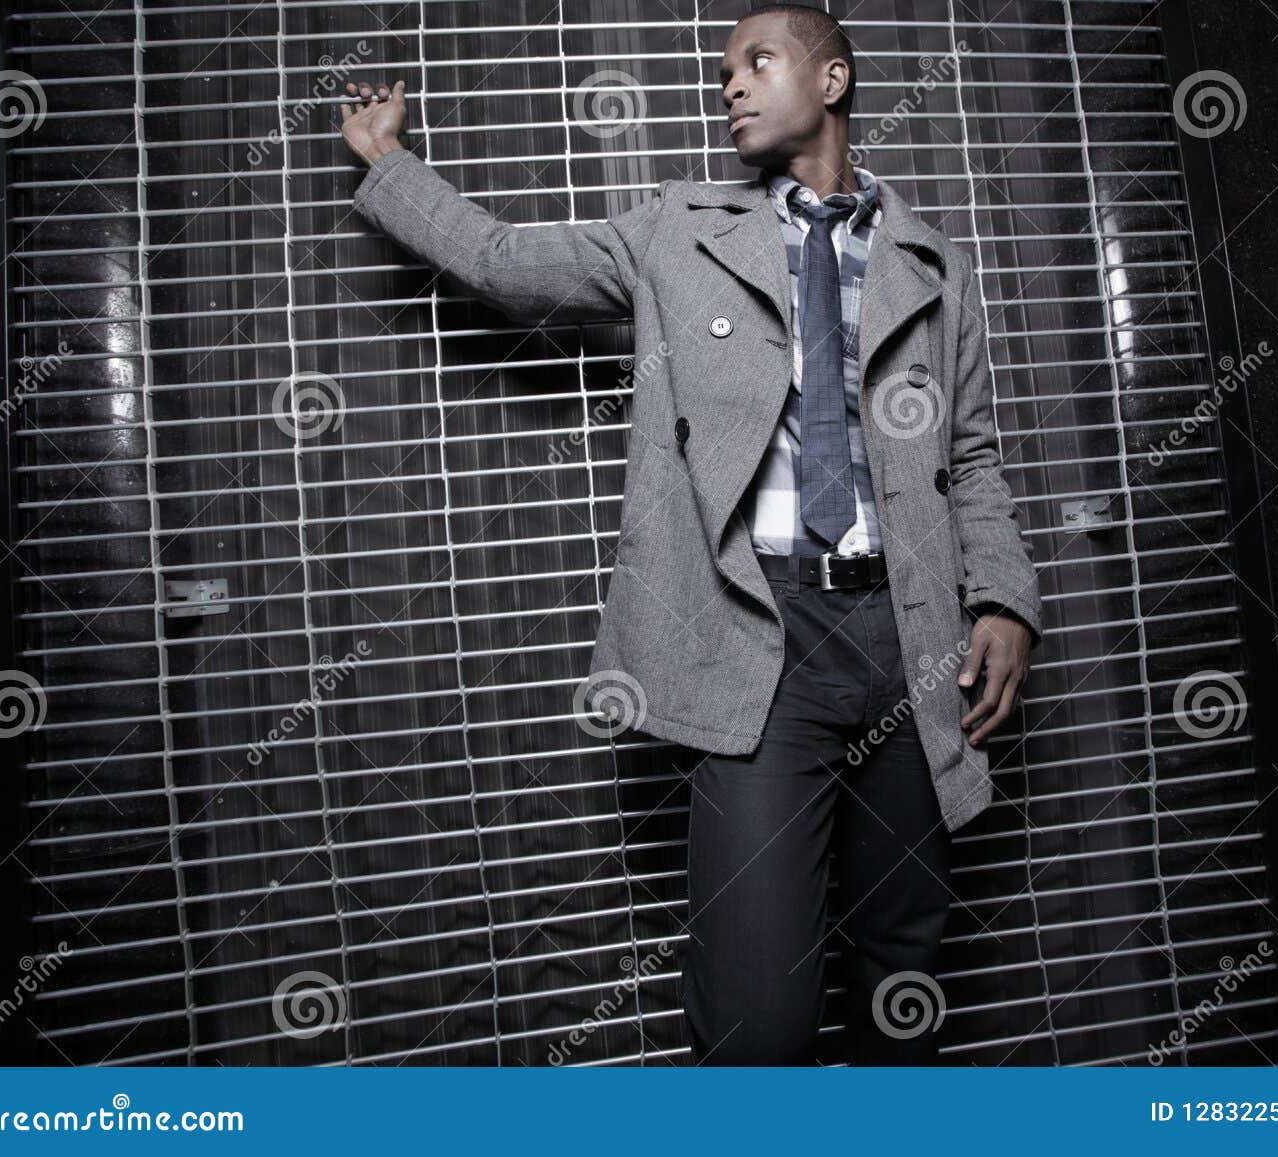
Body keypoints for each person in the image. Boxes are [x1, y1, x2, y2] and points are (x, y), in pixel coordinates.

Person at [338, 2, 1045, 1066]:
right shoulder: (676, 229)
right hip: (758, 644)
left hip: (911, 641)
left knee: (903, 979)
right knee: (760, 1018)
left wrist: (1002, 599)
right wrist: (388, 163)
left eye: (757, 62)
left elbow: (974, 455)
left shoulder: (933, 262)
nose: (729, 86)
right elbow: (497, 257)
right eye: (725, 70)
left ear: (834, 78)